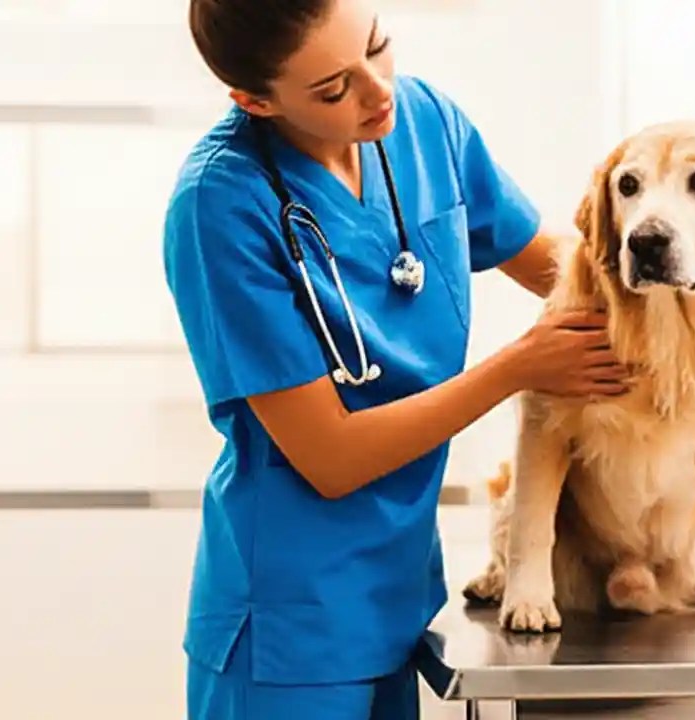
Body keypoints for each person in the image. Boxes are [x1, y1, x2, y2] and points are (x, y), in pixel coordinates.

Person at [164, 0, 629, 716]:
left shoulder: (424, 124)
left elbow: (556, 269)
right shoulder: (221, 205)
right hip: (292, 622)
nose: (379, 90)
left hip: (397, 595)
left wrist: (662, 280)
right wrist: (518, 368)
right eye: (332, 89)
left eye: (377, 47)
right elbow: (331, 456)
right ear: (255, 101)